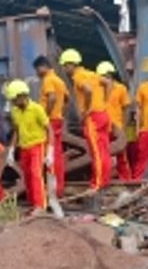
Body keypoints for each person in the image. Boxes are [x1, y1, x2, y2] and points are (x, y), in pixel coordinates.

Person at [60, 49, 111, 190]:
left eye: (65, 66)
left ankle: (98, 183)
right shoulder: (91, 74)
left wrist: (87, 109)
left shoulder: (78, 77)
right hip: (103, 114)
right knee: (104, 150)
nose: (64, 70)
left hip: (93, 117)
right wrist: (105, 102)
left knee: (96, 152)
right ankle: (104, 180)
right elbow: (108, 83)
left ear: (71, 65)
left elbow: (87, 90)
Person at [6, 80, 54, 211]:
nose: (13, 103)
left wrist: (50, 151)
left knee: (35, 174)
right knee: (27, 176)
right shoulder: (15, 111)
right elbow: (17, 131)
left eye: (14, 99)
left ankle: (40, 206)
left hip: (37, 146)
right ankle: (33, 203)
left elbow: (49, 129)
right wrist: (11, 149)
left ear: (22, 96)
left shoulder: (36, 109)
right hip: (24, 148)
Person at [34, 55, 68, 198]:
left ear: (42, 67)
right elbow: (67, 99)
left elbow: (52, 98)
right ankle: (59, 188)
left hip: (51, 121)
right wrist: (60, 112)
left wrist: (46, 117)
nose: (36, 73)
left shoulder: (48, 79)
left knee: (50, 156)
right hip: (58, 119)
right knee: (57, 155)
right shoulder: (59, 80)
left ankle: (52, 191)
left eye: (36, 69)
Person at [97, 61, 133, 181]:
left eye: (105, 75)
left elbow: (126, 108)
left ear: (110, 75)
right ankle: (104, 178)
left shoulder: (120, 89)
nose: (103, 78)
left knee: (121, 156)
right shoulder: (97, 90)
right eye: (101, 76)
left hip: (116, 126)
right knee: (102, 154)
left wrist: (123, 126)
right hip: (102, 127)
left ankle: (126, 179)